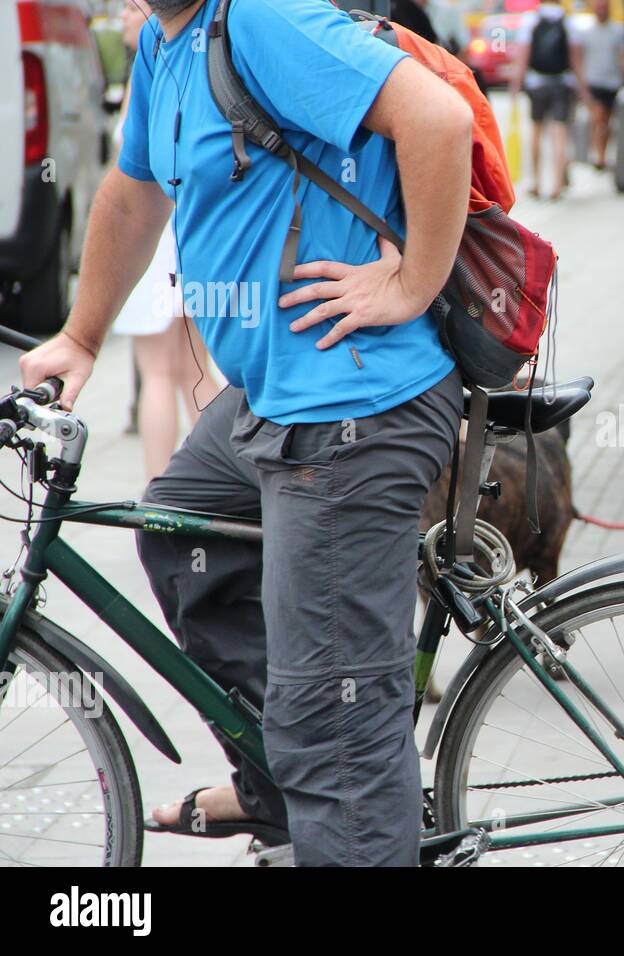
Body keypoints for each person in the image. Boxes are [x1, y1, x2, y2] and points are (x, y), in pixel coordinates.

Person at [21, 0, 473, 866]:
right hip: (275, 397)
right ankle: (281, 788)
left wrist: (414, 284)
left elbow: (438, 120)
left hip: (355, 411)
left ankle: (340, 804)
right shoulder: (166, 37)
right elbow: (133, 191)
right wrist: (81, 336)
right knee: (179, 526)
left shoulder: (263, 18)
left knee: (334, 720)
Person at [113, 0, 221, 481]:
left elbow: (133, 184)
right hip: (186, 237)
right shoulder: (189, 60)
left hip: (154, 243)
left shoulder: (156, 61)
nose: (122, 18)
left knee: (158, 371)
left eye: (126, 10)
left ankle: (158, 494)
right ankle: (233, 474)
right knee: (192, 368)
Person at [510, 0, 589, 199]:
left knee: (536, 131)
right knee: (559, 133)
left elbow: (523, 56)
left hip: (537, 83)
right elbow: (576, 60)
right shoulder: (568, 22)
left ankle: (535, 181)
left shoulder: (531, 20)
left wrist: (516, 85)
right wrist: (584, 90)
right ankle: (556, 184)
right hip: (562, 83)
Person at [574, 0, 624, 172]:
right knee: (598, 119)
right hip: (594, 81)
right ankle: (598, 155)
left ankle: (602, 153)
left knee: (607, 122)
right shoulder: (586, 32)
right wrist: (582, 84)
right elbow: (579, 58)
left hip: (612, 82)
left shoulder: (618, 31)